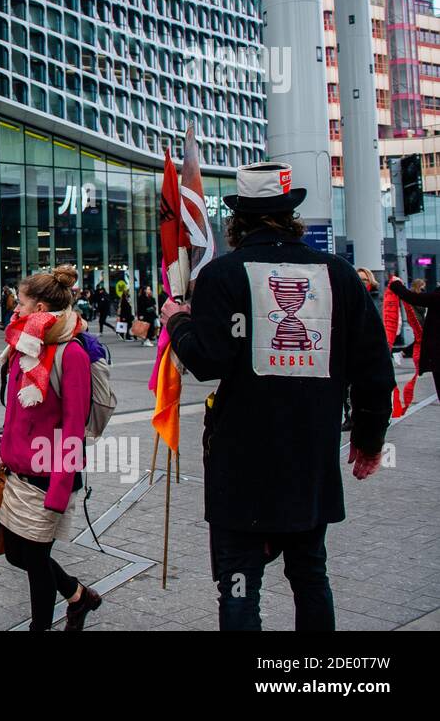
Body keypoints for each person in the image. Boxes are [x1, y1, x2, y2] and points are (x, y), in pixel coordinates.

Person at [160, 161, 394, 631]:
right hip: (310, 457)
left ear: (238, 220)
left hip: (240, 463)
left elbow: (207, 361)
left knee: (240, 585)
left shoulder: (224, 276)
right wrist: (369, 439)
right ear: (292, 216)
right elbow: (375, 370)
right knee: (310, 577)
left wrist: (177, 321)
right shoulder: (339, 275)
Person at [0, 264, 101, 632]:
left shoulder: (71, 355)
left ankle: (41, 626)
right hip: (18, 470)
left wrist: (59, 488)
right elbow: (16, 414)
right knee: (14, 553)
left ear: (40, 309)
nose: (15, 310)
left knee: (36, 560)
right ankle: (78, 594)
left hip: (49, 475)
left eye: (20, 303)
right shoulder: (25, 345)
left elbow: (73, 429)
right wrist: (3, 450)